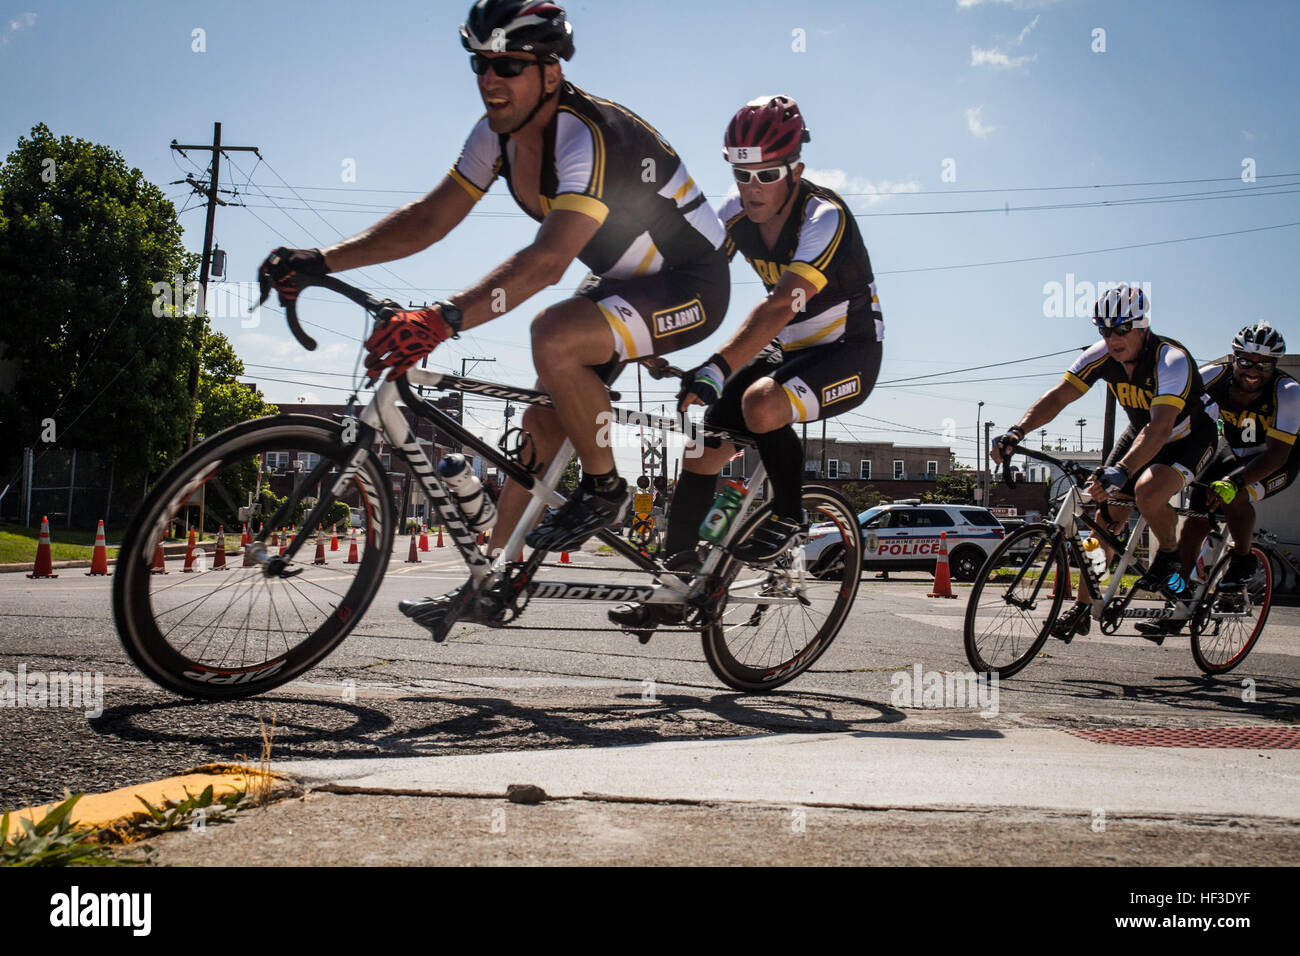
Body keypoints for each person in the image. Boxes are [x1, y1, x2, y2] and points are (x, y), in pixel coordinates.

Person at [257, 1, 729, 623]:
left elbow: (548, 262)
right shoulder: (495, 135)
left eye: (508, 65)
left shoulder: (584, 137)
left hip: (688, 282)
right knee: (540, 423)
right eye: (480, 64)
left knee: (552, 333)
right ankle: (489, 585)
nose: (490, 80)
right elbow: (430, 219)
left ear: (550, 74)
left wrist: (442, 319)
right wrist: (322, 259)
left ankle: (606, 491)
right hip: (622, 279)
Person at [611, 94, 884, 631]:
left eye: (768, 174)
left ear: (796, 170)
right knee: (701, 449)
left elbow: (781, 304)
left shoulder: (823, 217)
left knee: (760, 402)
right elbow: (681, 273)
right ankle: (676, 578)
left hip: (851, 351)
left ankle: (789, 515)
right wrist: (645, 334)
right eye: (741, 173)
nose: (751, 187)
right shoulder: (732, 214)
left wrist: (715, 367)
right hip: (792, 351)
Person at [991, 286, 1217, 640]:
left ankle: (1170, 554)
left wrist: (1123, 470)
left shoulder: (1170, 360)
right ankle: (1082, 608)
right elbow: (1058, 397)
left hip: (1186, 438)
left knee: (1147, 491)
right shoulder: (1102, 356)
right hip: (1141, 433)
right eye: (1104, 330)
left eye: (1121, 329)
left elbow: (1160, 430)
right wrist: (1016, 432)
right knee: (1104, 523)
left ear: (1142, 326)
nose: (1112, 338)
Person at [1136, 320, 1296, 637]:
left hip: (1278, 461)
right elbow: (1175, 413)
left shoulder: (1288, 392)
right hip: (1231, 453)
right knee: (1195, 517)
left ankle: (1242, 559)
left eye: (1263, 364)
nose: (1253, 370)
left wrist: (1237, 482)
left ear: (1274, 365)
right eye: (1246, 361)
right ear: (1233, 357)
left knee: (1233, 494)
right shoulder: (1213, 375)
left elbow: (1277, 454)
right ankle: (1180, 599)